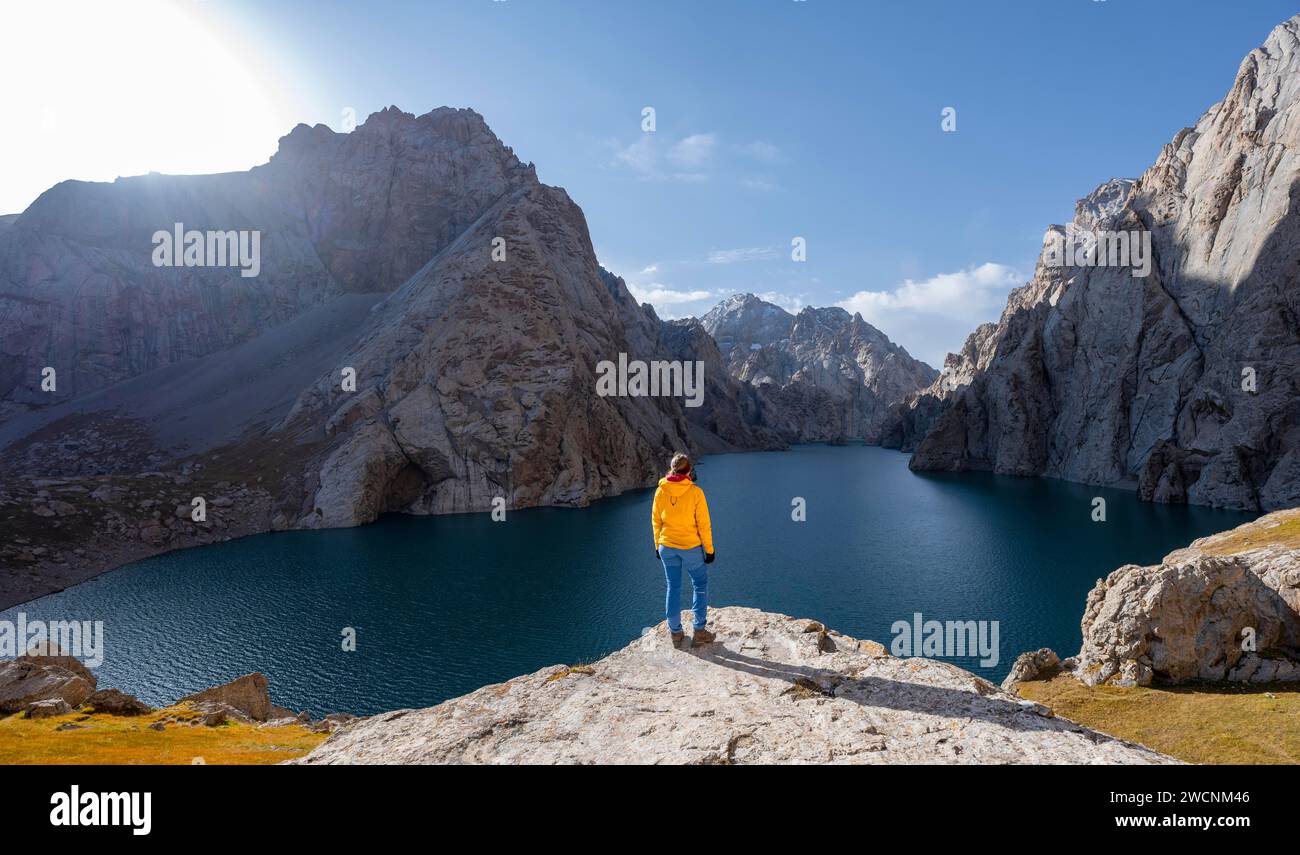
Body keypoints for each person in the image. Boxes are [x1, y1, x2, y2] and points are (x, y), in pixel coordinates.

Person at [651, 452, 716, 646]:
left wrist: (657, 545)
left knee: (673, 587)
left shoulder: (660, 490)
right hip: (690, 547)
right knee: (700, 584)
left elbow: (656, 521)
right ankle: (699, 631)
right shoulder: (696, 492)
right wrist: (709, 550)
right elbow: (704, 524)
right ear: (689, 471)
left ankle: (676, 634)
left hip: (666, 546)